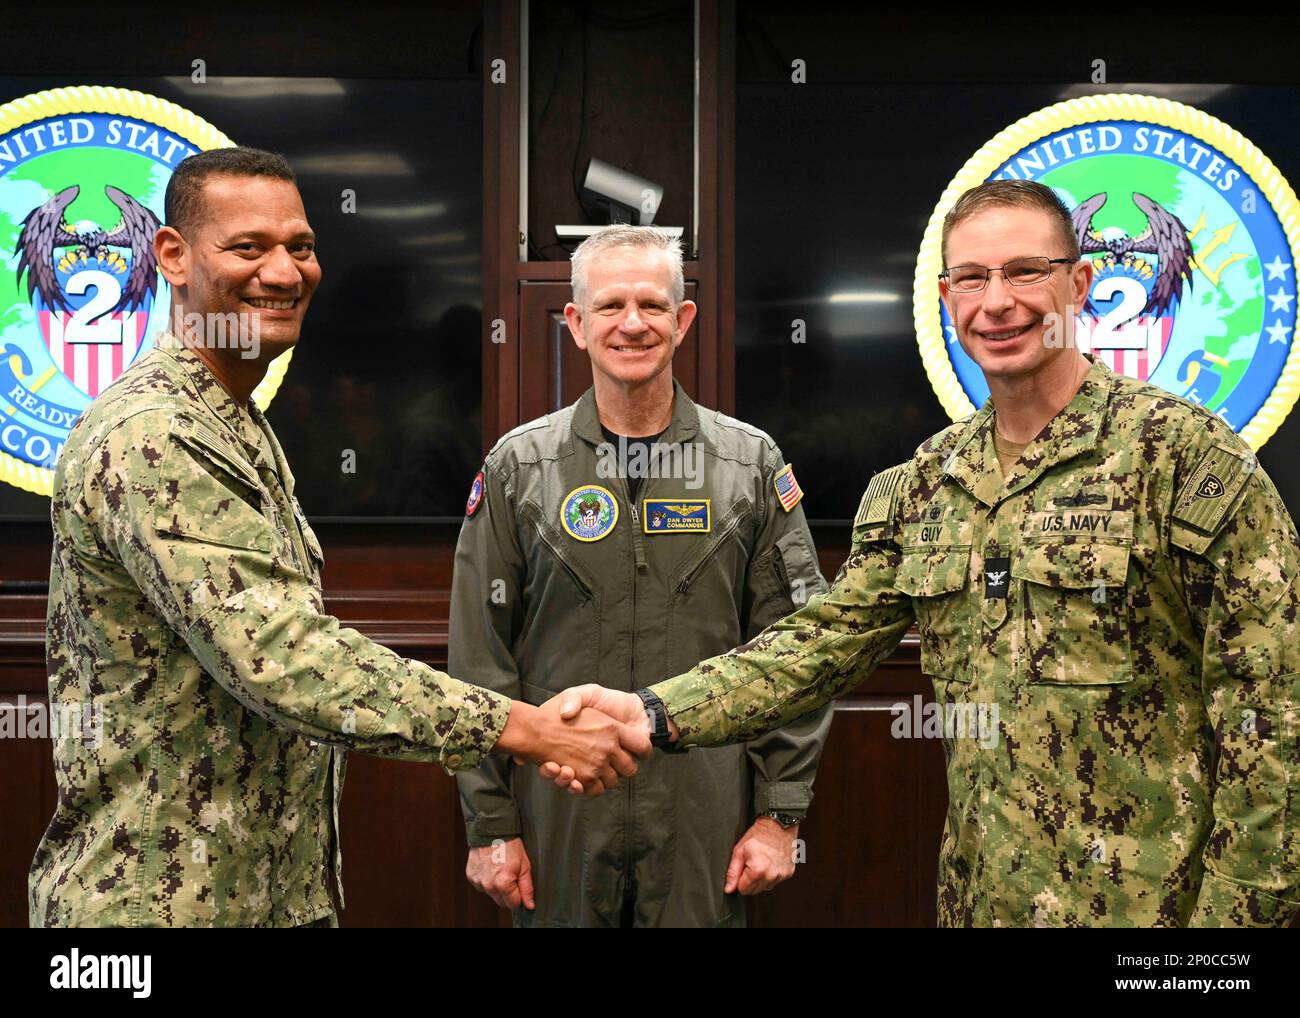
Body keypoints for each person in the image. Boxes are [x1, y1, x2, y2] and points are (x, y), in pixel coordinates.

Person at [548, 181, 1300, 927]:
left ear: (1080, 285)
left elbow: (1271, 719)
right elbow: (818, 645)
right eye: (971, 279)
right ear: (947, 300)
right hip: (979, 903)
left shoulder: (1183, 458)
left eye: (1024, 271)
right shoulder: (926, 484)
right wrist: (652, 712)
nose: (996, 302)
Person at [30, 148, 647, 928]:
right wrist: (521, 727)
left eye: (302, 247)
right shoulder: (157, 432)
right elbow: (283, 656)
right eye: (248, 248)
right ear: (173, 257)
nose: (286, 274)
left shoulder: (233, 424)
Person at [451, 225, 832, 927]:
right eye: (610, 306)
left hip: (701, 814)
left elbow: (799, 650)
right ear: (575, 323)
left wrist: (781, 814)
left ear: (683, 320)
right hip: (558, 813)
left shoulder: (748, 464)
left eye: (653, 306)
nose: (633, 324)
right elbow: (481, 660)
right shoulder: (518, 470)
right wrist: (491, 824)